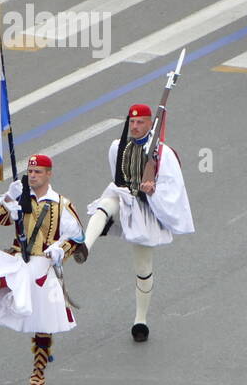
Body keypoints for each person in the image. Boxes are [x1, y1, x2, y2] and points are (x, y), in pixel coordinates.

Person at [0, 153, 86, 385]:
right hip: (20, 256)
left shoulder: (61, 204)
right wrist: (8, 198)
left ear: (49, 174)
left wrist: (61, 249)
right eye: (31, 172)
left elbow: (76, 237)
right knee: (3, 271)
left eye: (38, 172)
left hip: (43, 263)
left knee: (43, 323)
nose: (33, 175)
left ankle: (38, 372)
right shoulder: (20, 197)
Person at [80, 103, 194, 342]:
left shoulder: (163, 154)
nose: (134, 126)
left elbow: (174, 189)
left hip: (147, 211)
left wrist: (153, 191)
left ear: (149, 122)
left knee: (143, 268)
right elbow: (118, 177)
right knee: (108, 200)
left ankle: (140, 320)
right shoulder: (117, 147)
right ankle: (85, 246)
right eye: (131, 122)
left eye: (140, 122)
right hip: (125, 200)